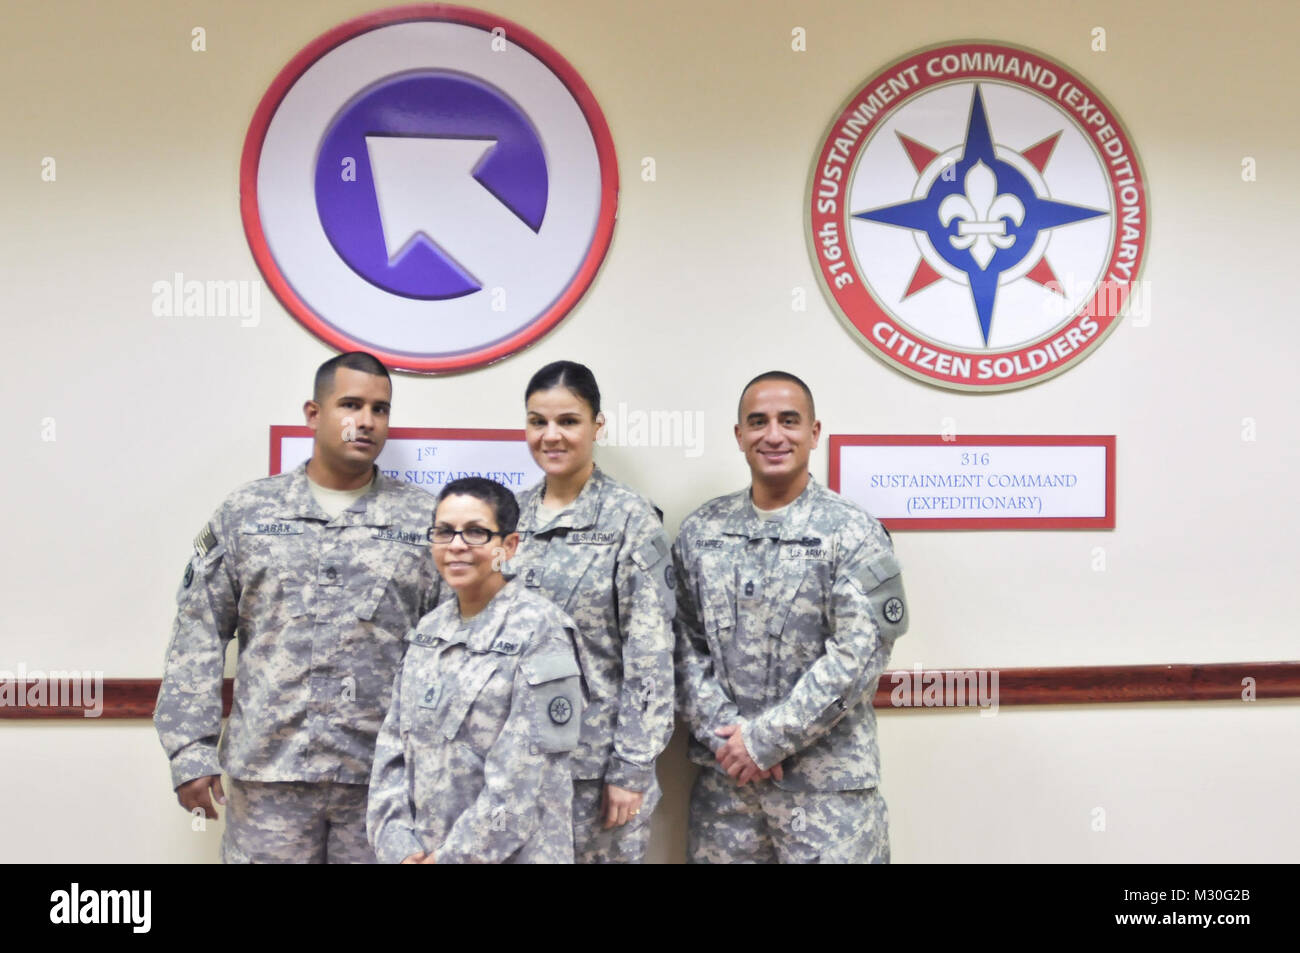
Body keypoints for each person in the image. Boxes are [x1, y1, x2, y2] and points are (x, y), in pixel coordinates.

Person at [154, 351, 439, 863]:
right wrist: (190, 750)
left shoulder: (425, 520)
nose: (366, 421)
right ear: (313, 413)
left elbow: (452, 645)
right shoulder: (247, 513)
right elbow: (198, 633)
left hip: (382, 779)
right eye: (350, 405)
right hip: (270, 776)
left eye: (380, 409)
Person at [672, 371, 909, 863]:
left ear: (814, 432)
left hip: (827, 794)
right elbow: (680, 645)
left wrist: (763, 741)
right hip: (727, 794)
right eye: (758, 422)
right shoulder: (701, 532)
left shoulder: (854, 533)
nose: (774, 435)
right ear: (740, 435)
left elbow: (858, 657)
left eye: (789, 420)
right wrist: (729, 739)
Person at [367, 478, 584, 863]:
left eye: (476, 532)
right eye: (444, 531)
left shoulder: (542, 632)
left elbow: (523, 781)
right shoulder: (429, 630)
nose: (456, 545)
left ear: (509, 546)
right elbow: (392, 749)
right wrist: (399, 847)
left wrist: (451, 859)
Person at [510, 361, 676, 863]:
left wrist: (631, 768)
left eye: (568, 421)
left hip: (595, 771)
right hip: (513, 766)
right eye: (538, 422)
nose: (551, 435)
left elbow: (651, 656)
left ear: (597, 426)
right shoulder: (509, 517)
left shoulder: (631, 520)